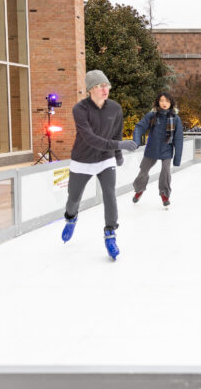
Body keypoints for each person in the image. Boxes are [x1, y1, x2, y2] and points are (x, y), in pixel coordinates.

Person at [59, 70, 138, 260]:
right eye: (100, 86)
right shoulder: (80, 109)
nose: (105, 89)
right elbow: (90, 139)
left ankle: (110, 234)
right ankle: (71, 218)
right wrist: (119, 146)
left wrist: (117, 154)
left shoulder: (115, 108)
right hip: (82, 160)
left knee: (110, 194)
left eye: (107, 85)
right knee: (73, 199)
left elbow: (116, 133)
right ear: (90, 90)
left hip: (105, 159)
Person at [131, 92, 184, 207]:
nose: (164, 103)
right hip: (152, 148)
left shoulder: (175, 119)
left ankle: (164, 194)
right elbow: (140, 126)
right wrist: (136, 141)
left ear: (171, 103)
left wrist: (177, 158)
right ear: (158, 102)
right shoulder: (152, 115)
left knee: (165, 171)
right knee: (143, 171)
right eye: (161, 101)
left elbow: (178, 139)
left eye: (167, 101)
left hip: (167, 149)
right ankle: (139, 189)